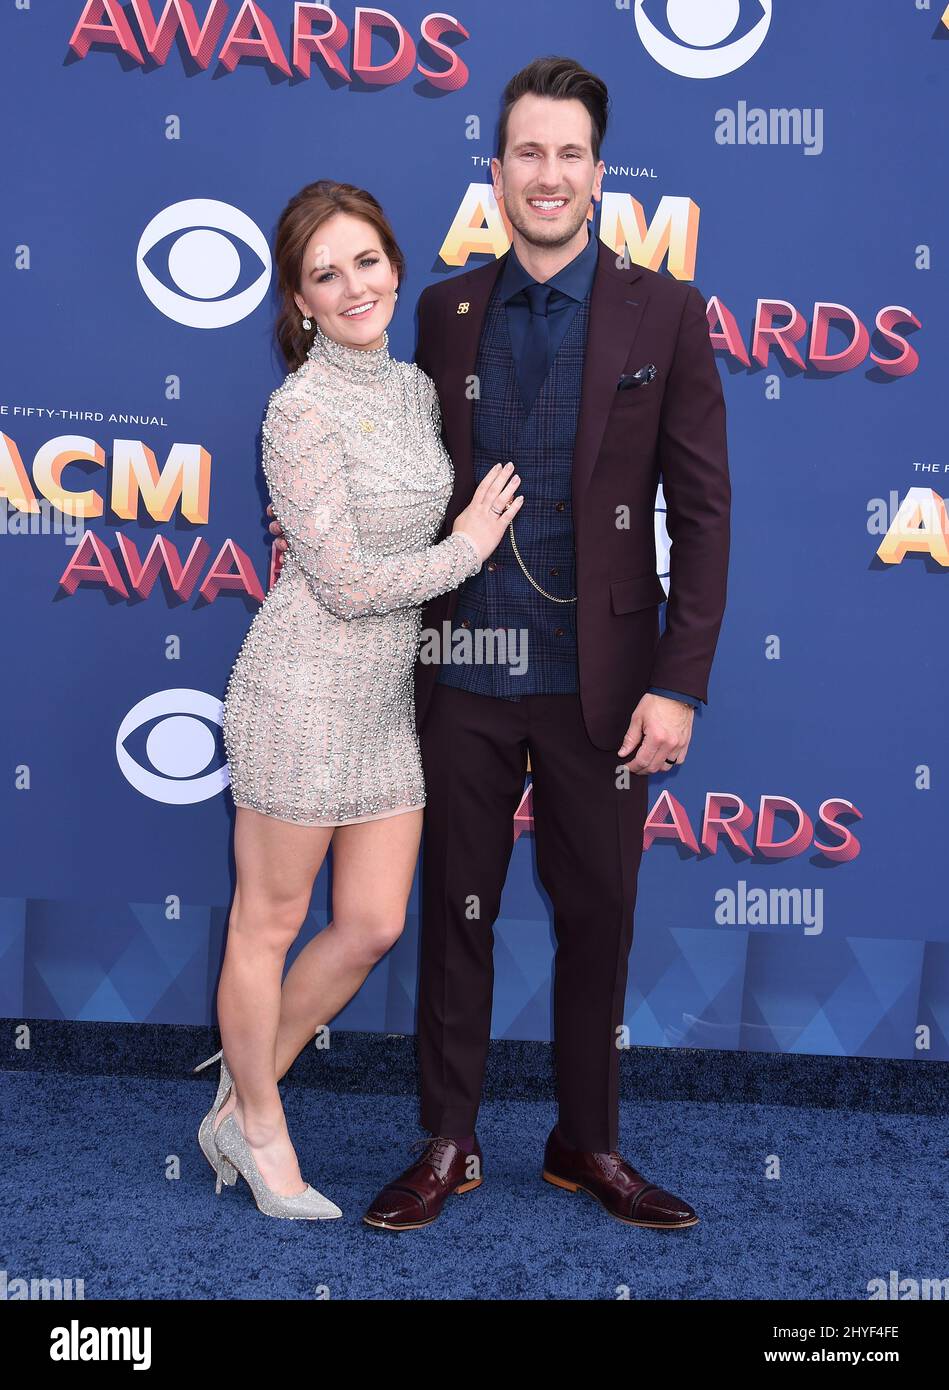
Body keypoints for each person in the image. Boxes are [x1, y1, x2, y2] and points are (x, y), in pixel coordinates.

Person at [271, 54, 731, 1232]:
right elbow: (389, 468)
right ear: (496, 169)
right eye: (527, 151)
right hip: (458, 679)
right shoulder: (442, 310)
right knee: (452, 914)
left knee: (598, 918)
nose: (548, 173)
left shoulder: (665, 313)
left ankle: (588, 1142)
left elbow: (705, 511)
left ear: (598, 171)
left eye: (569, 152)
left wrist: (677, 686)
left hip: (604, 687)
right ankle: (447, 1139)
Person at [194, 180, 523, 1220]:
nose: (351, 287)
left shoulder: (416, 391)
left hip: (383, 703)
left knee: (373, 922)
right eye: (323, 274)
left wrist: (456, 548)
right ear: (296, 299)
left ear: (393, 263)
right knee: (269, 921)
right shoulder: (297, 410)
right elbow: (335, 581)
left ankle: (236, 1095)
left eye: (366, 262)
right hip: (298, 691)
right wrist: (464, 548)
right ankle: (258, 1124)